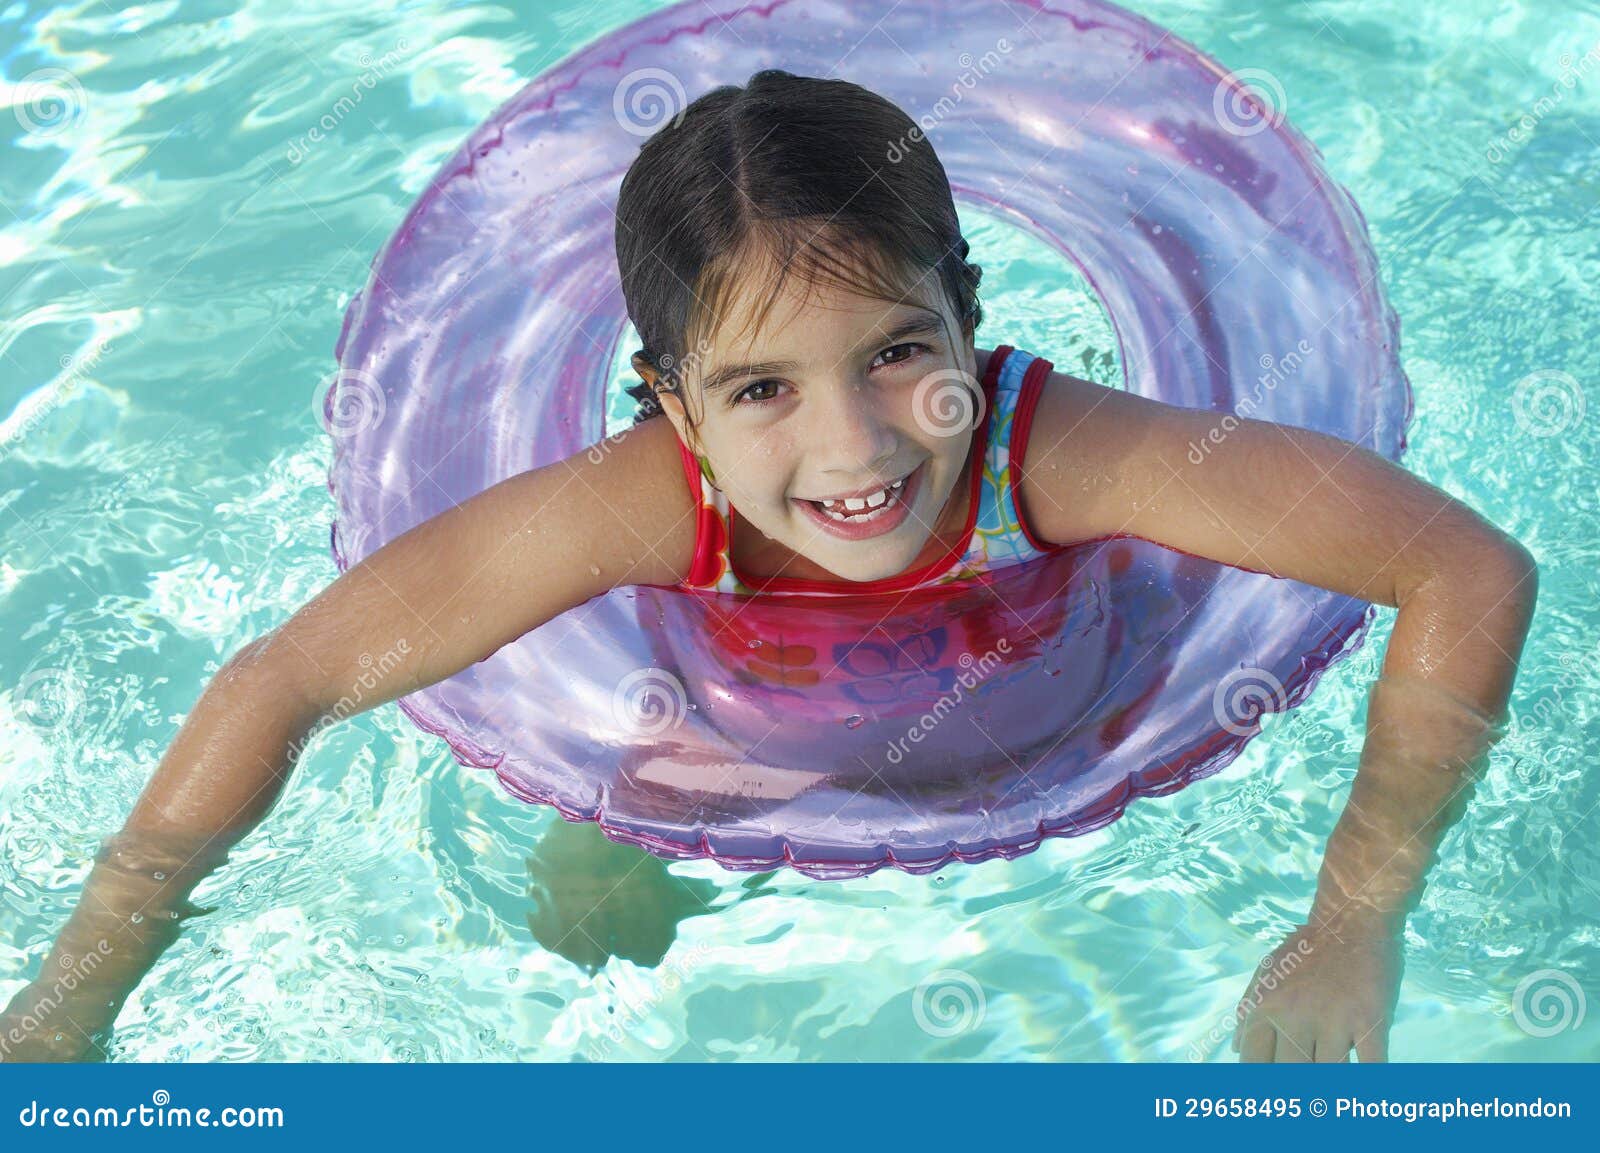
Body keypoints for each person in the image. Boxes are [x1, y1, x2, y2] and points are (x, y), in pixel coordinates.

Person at [0, 70, 1536, 1063]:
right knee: (598, 883)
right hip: (727, 733)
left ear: (968, 313)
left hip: (1065, 681)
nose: (859, 448)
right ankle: (616, 838)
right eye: (761, 390)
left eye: (896, 354)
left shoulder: (1055, 449)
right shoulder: (647, 497)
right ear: (670, 402)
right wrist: (75, 995)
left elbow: (1466, 569)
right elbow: (289, 673)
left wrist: (1353, 919)